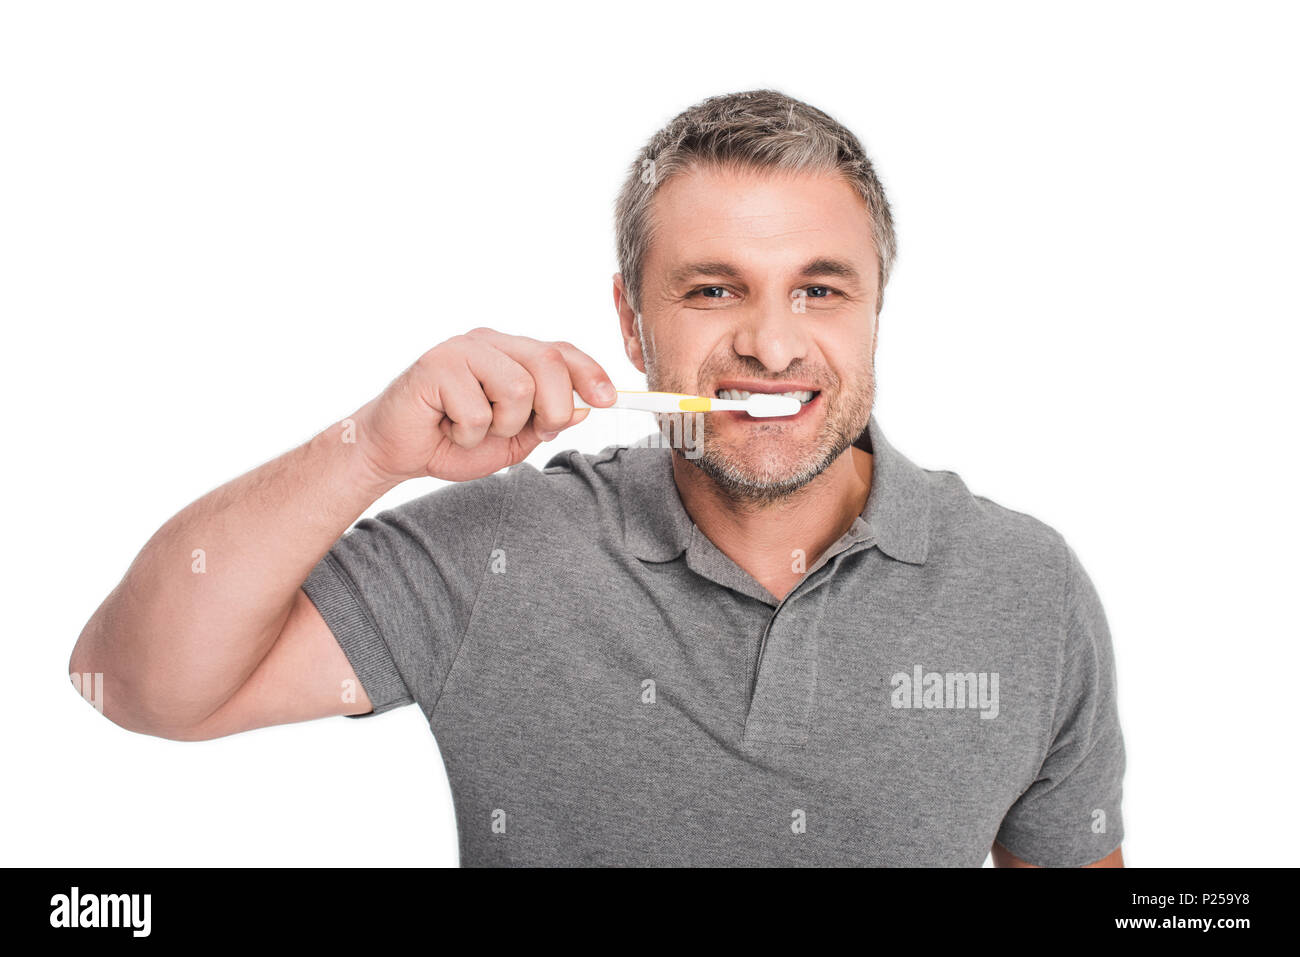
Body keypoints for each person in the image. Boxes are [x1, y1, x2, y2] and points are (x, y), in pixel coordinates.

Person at [70, 89, 1125, 867]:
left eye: (818, 290)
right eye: (713, 290)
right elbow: (132, 683)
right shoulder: (497, 554)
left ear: (875, 307)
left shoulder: (1026, 585)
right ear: (630, 321)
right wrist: (374, 450)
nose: (769, 344)